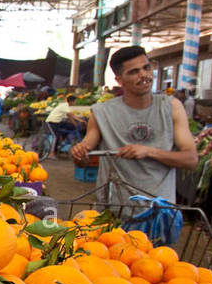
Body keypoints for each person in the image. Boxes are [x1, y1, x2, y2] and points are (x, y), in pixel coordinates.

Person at [71, 45, 197, 210]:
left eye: (146, 68)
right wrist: (79, 154)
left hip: (159, 212)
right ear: (119, 80)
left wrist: (148, 151)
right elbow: (84, 155)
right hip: (113, 211)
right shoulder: (102, 112)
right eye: (134, 72)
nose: (143, 75)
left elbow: (191, 160)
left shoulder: (171, 107)